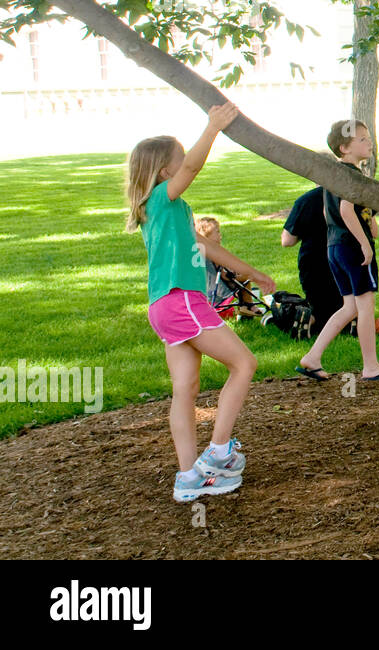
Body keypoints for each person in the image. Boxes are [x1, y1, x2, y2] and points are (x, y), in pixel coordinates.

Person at [124, 103, 268, 503]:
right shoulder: (161, 200)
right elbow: (192, 170)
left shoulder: (172, 211)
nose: (185, 162)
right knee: (244, 363)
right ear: (165, 171)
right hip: (182, 301)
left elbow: (205, 248)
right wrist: (214, 127)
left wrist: (254, 273)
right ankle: (219, 451)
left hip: (163, 309)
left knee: (184, 388)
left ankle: (188, 477)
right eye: (179, 157)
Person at [297, 121, 379, 382]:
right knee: (366, 306)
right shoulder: (352, 176)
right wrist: (364, 243)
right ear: (344, 148)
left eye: (368, 138)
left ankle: (312, 358)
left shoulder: (333, 177)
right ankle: (371, 366)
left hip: (335, 247)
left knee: (349, 307)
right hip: (353, 249)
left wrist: (368, 224)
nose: (370, 143)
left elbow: (327, 212)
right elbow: (345, 210)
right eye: (363, 140)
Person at [282, 186, 379, 335]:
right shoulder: (358, 197)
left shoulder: (306, 200)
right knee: (352, 304)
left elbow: (287, 241)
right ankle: (355, 319)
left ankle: (312, 318)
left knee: (322, 312)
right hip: (350, 263)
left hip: (315, 269)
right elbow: (374, 232)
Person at [194, 216, 271, 318]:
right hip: (221, 287)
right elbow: (224, 275)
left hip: (207, 288)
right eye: (217, 232)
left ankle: (246, 305)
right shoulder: (213, 252)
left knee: (242, 278)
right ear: (207, 235)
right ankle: (249, 306)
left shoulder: (200, 251)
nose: (220, 235)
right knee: (246, 277)